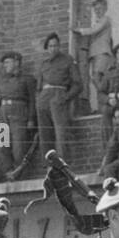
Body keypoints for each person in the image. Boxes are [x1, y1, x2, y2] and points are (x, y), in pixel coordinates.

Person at [0, 51, 36, 180]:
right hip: (2, 116)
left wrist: (31, 119)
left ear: (16, 62)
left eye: (7, 62)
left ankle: (19, 176)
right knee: (3, 146)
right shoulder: (2, 81)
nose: (5, 65)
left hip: (19, 114)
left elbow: (33, 101)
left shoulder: (27, 79)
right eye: (4, 63)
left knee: (19, 147)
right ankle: (8, 175)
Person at [36, 32, 80, 161]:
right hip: (43, 98)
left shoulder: (68, 60)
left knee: (61, 132)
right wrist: (38, 100)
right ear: (47, 48)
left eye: (55, 45)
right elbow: (38, 87)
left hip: (59, 95)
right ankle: (49, 165)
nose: (53, 48)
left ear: (59, 46)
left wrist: (65, 97)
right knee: (45, 133)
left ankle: (63, 163)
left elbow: (78, 84)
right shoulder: (43, 64)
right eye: (50, 46)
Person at [72, 0, 113, 113]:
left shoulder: (106, 19)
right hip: (95, 54)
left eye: (99, 9)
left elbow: (93, 30)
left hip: (102, 53)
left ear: (105, 8)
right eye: (95, 10)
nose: (97, 12)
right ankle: (102, 106)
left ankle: (105, 104)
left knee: (98, 79)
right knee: (96, 79)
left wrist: (79, 30)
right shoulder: (99, 21)